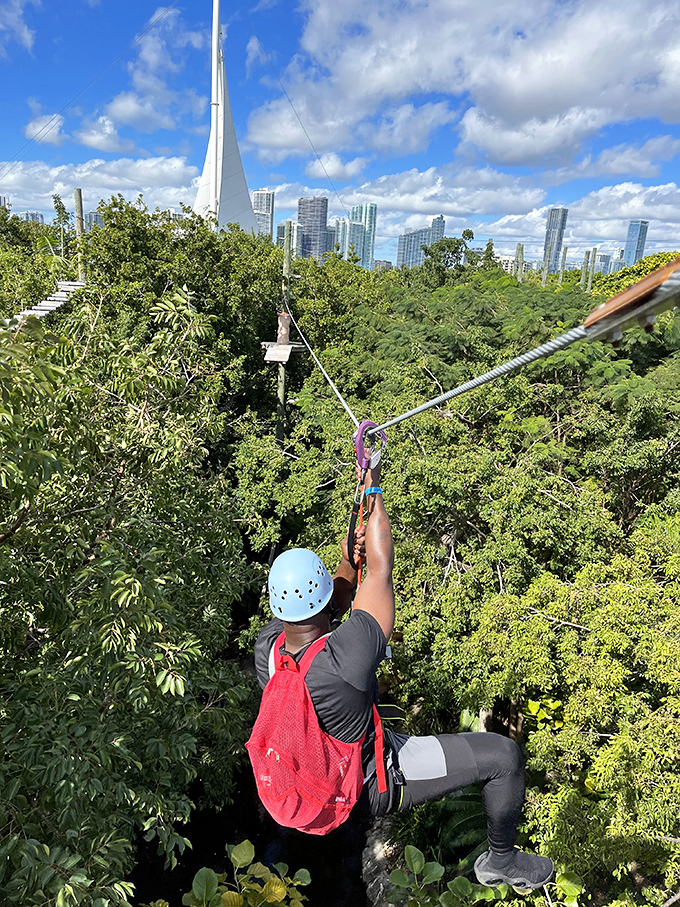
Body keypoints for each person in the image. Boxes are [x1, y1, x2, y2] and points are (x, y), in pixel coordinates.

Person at [254, 458, 554, 889]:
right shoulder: (346, 660)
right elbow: (380, 569)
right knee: (504, 758)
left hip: (315, 780)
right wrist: (372, 491)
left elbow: (330, 603)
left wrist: (347, 560)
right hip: (373, 782)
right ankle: (501, 861)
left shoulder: (268, 650)